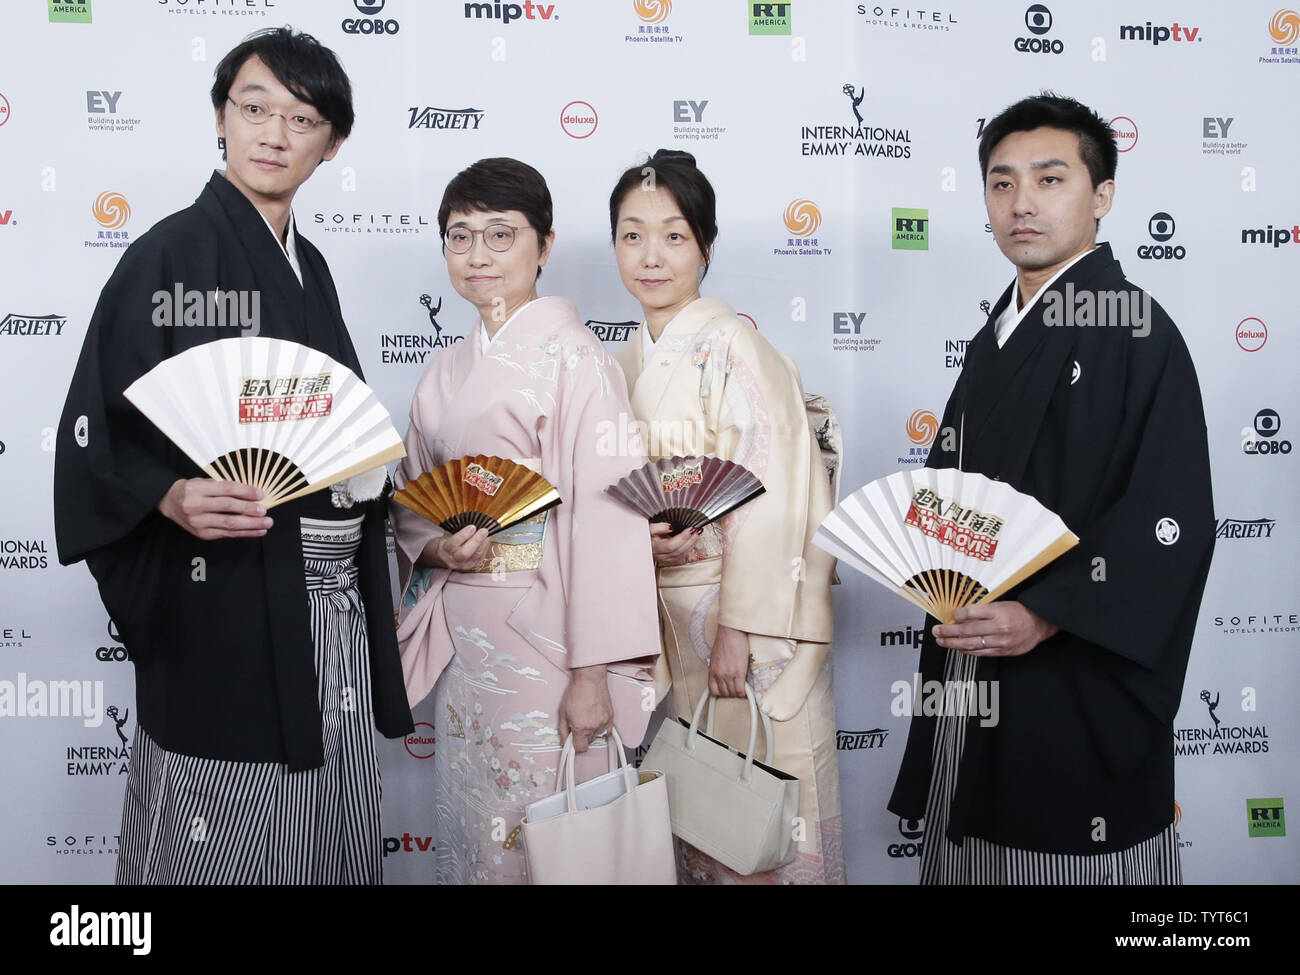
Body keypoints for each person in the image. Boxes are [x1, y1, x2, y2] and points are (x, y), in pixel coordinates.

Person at [53, 28, 413, 884]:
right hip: (223, 598)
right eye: (254, 107)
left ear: (332, 144)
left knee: (322, 822)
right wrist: (168, 494)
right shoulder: (168, 254)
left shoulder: (312, 268)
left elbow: (340, 430)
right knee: (219, 823)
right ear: (222, 117)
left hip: (327, 615)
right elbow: (96, 429)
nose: (273, 132)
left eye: (302, 117)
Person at [888, 93, 1215, 883]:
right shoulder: (997, 331)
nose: (1021, 203)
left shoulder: (1139, 330)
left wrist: (1043, 612)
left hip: (1075, 677)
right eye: (1002, 183)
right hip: (972, 664)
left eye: (1049, 178)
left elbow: (1169, 523)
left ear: (1101, 196)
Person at [392, 157, 661, 885]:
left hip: (549, 638)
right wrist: (440, 543)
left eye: (500, 234)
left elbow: (609, 522)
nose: (477, 255)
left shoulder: (578, 359)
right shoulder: (442, 371)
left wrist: (592, 672)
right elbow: (414, 498)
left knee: (557, 830)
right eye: (460, 236)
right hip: (467, 640)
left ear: (543, 245)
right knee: (478, 827)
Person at [608, 150, 845, 884]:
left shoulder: (735, 345)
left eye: (674, 236)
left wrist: (739, 624)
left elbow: (777, 487)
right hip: (677, 624)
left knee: (775, 804)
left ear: (706, 246)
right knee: (709, 808)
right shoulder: (624, 357)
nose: (652, 257)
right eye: (632, 235)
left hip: (750, 622)